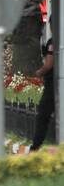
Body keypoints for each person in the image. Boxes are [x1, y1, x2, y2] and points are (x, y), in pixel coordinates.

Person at [31, 19, 55, 152]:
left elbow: (49, 64)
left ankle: (35, 147)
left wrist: (39, 72)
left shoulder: (52, 42)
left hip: (53, 85)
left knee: (43, 116)